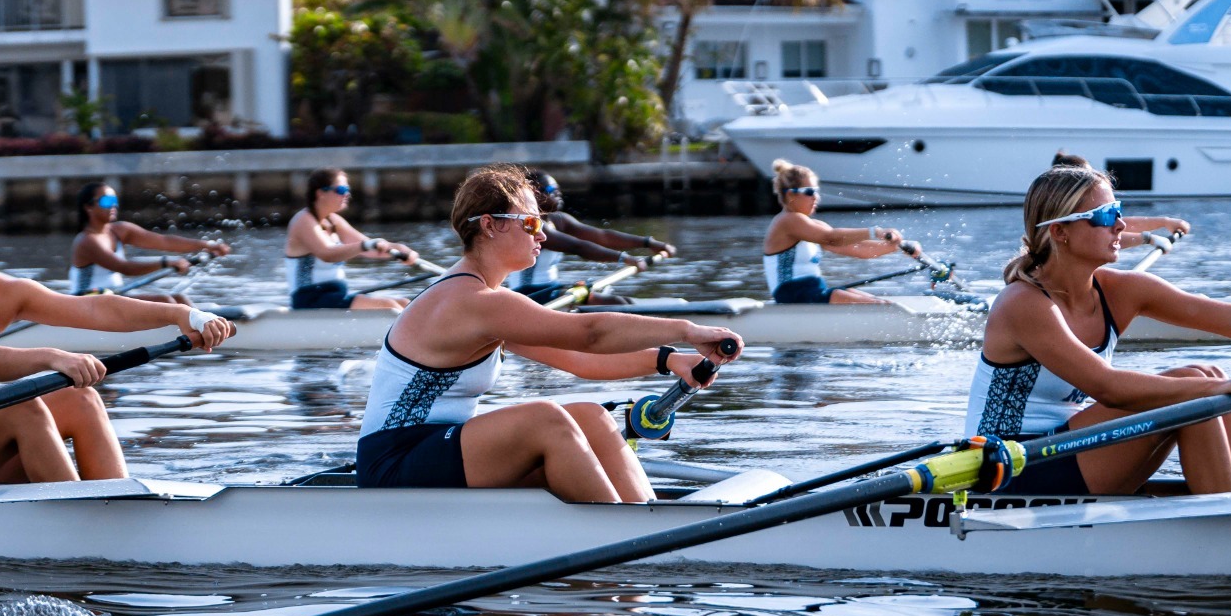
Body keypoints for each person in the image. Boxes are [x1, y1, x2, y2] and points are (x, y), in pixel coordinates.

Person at [355, 163, 742, 502]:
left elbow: (578, 358)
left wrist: (669, 359)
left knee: (591, 417)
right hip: (394, 462)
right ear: (489, 225)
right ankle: (627, 542)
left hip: (436, 449)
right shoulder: (469, 299)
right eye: (532, 222)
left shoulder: (489, 303)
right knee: (545, 418)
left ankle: (644, 521)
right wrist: (688, 330)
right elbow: (588, 333)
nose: (543, 234)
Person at [0, 173, 235, 484]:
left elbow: (93, 308)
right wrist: (53, 357)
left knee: (80, 398)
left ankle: (116, 505)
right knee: (23, 407)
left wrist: (183, 316)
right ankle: (81, 524)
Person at [966, 163, 1231, 496]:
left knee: (1204, 373)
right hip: (1007, 466)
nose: (1120, 225)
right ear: (1060, 232)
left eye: (1117, 210)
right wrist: (1222, 387)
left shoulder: (1121, 290)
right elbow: (1108, 388)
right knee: (1197, 387)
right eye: (1104, 216)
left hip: (1071, 450)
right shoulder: (1023, 304)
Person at [508, 169, 677, 302]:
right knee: (615, 303)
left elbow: (601, 236)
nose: (558, 194)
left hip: (552, 289)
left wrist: (648, 242)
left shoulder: (560, 220)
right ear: (535, 194)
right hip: (528, 296)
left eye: (560, 190)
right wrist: (625, 259)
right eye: (552, 190)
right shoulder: (532, 225)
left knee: (620, 302)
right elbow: (577, 247)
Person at [762, 160, 910, 305]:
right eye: (809, 192)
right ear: (790, 195)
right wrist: (875, 232)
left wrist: (897, 246)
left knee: (877, 302)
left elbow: (857, 248)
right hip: (793, 295)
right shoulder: (787, 221)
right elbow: (831, 238)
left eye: (816, 191)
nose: (816, 197)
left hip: (811, 293)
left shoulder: (813, 227)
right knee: (877, 307)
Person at [285, 168, 419, 311]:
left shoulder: (334, 221)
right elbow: (328, 254)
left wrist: (401, 250)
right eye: (341, 189)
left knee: (406, 304)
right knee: (390, 307)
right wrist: (364, 246)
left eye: (347, 189)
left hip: (333, 297)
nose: (347, 194)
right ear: (320, 193)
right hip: (310, 300)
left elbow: (372, 250)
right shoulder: (303, 221)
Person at [69, 182, 229, 300]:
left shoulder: (120, 230)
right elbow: (124, 268)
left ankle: (207, 332)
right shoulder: (86, 241)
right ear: (88, 207)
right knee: (166, 300)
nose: (113, 206)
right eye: (106, 202)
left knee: (179, 298)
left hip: (114, 297)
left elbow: (164, 241)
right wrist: (166, 263)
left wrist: (207, 245)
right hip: (85, 301)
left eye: (114, 201)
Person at [1050, 153, 1191, 249]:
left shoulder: (1083, 209)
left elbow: (1116, 225)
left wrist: (1164, 222)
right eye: (1087, 178)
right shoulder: (1056, 214)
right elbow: (1102, 238)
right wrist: (1148, 239)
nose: (1093, 181)